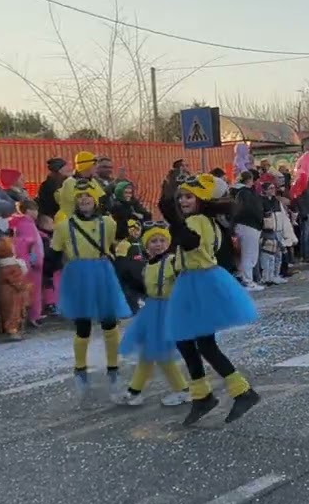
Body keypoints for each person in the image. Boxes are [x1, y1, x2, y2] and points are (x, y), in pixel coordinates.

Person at [165, 174, 261, 426]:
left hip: (199, 283)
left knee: (201, 343)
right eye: (181, 197)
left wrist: (173, 221)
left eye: (189, 196)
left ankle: (240, 392)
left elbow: (189, 243)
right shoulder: (206, 220)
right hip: (193, 282)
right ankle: (204, 395)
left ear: (203, 200)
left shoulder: (197, 221)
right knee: (186, 340)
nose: (183, 201)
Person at [53, 180, 131, 396]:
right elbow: (56, 252)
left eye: (88, 195)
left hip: (102, 273)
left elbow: (113, 243)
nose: (84, 199)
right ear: (73, 200)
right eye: (79, 196)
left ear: (95, 199)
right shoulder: (63, 226)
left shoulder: (108, 223)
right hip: (78, 275)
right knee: (83, 325)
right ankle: (80, 369)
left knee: (109, 322)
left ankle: (113, 369)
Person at [112, 224, 190, 408]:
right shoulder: (148, 265)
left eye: (162, 240)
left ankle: (182, 390)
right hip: (153, 310)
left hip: (167, 310)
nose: (158, 244)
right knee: (149, 351)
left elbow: (183, 281)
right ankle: (135, 391)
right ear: (147, 246)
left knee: (160, 353)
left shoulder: (172, 261)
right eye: (154, 241)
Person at [0, 236, 29, 341]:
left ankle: (11, 329)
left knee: (7, 310)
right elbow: (16, 280)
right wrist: (24, 287)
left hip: (6, 292)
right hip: (13, 293)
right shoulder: (10, 266)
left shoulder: (2, 265)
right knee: (13, 311)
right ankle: (12, 330)